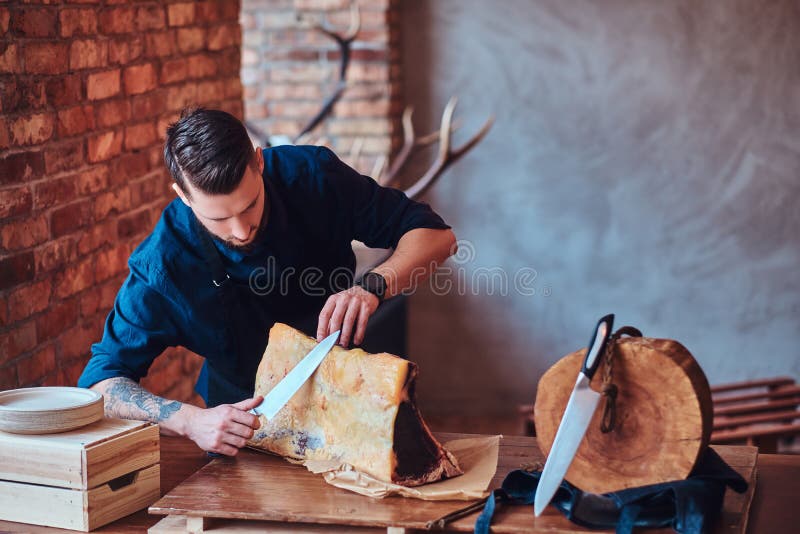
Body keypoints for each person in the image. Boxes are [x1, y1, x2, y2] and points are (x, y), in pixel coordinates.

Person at [77, 108, 456, 456]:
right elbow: (99, 384)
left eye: (249, 206)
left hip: (349, 409)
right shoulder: (163, 264)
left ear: (258, 162)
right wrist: (191, 421)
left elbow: (438, 237)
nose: (240, 230)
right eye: (219, 220)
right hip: (244, 438)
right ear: (183, 197)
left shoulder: (312, 176)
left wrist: (372, 286)